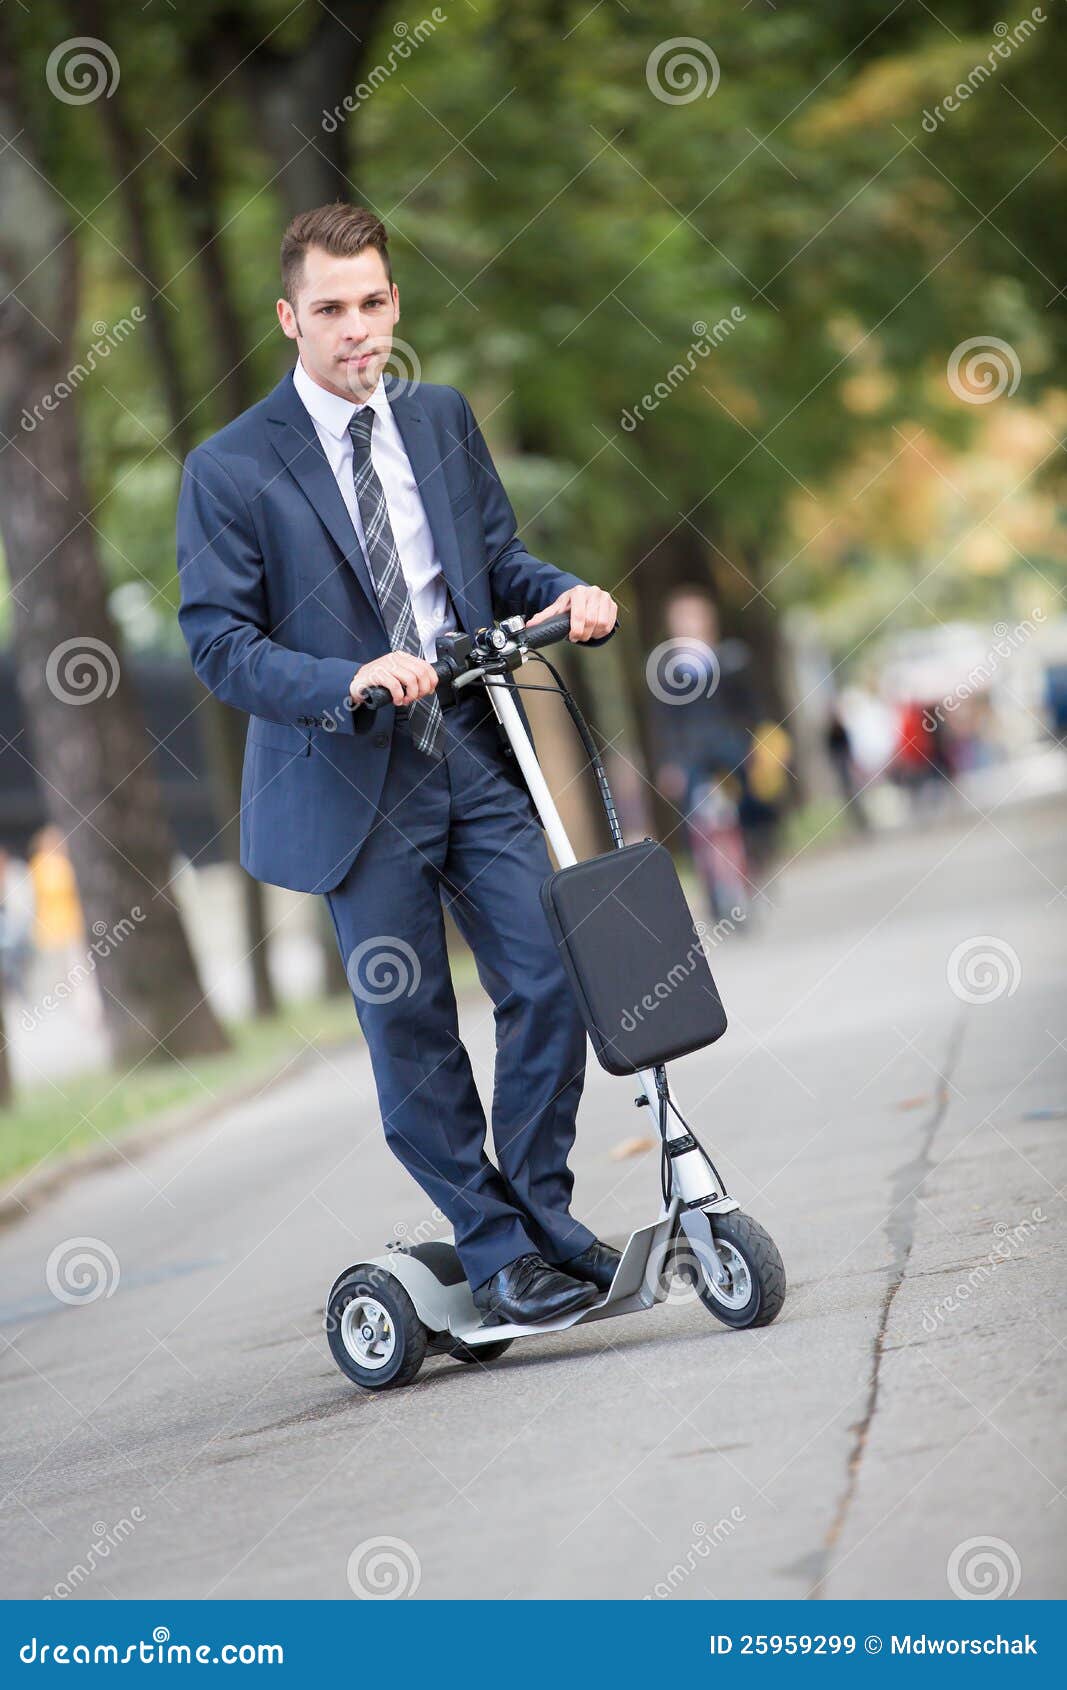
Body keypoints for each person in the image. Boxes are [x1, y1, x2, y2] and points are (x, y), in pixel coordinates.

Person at [176, 203, 621, 1327]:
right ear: (289, 318)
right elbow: (221, 645)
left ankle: (535, 1221)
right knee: (412, 1024)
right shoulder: (229, 469)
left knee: (550, 974)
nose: (356, 328)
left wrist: (563, 593)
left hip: (472, 751)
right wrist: (347, 681)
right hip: (349, 784)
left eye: (373, 302)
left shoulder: (439, 420)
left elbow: (498, 559)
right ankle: (490, 1242)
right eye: (329, 309)